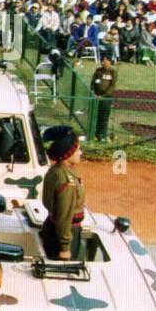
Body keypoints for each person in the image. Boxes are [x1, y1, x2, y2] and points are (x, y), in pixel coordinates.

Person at [40, 126, 85, 260]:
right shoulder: (67, 181)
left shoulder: (56, 171)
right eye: (78, 150)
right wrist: (65, 247)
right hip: (64, 234)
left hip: (53, 227)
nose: (80, 152)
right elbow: (64, 216)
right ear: (68, 154)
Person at [90, 56, 118, 141]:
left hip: (106, 98)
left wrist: (104, 96)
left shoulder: (113, 72)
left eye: (105, 61)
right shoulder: (98, 71)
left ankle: (102, 135)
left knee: (104, 117)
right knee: (95, 115)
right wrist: (93, 92)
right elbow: (92, 82)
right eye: (102, 61)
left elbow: (112, 86)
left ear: (109, 62)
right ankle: (94, 133)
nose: (103, 63)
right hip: (96, 97)